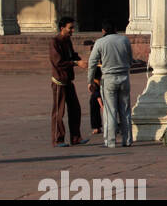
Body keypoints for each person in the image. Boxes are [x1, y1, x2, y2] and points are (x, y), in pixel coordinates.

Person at [88, 20, 134, 148]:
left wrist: (90, 80)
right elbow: (130, 60)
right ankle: (127, 140)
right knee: (125, 110)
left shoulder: (100, 42)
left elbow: (92, 63)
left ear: (103, 31)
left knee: (110, 111)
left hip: (108, 78)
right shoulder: (124, 40)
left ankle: (110, 141)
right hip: (124, 77)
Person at [49, 16, 85, 147]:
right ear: (62, 28)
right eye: (70, 28)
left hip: (68, 79)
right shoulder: (55, 42)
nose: (72, 30)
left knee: (75, 109)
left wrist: (82, 60)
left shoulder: (67, 40)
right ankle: (58, 139)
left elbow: (72, 55)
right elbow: (58, 62)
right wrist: (76, 63)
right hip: (59, 80)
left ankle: (76, 137)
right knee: (59, 111)